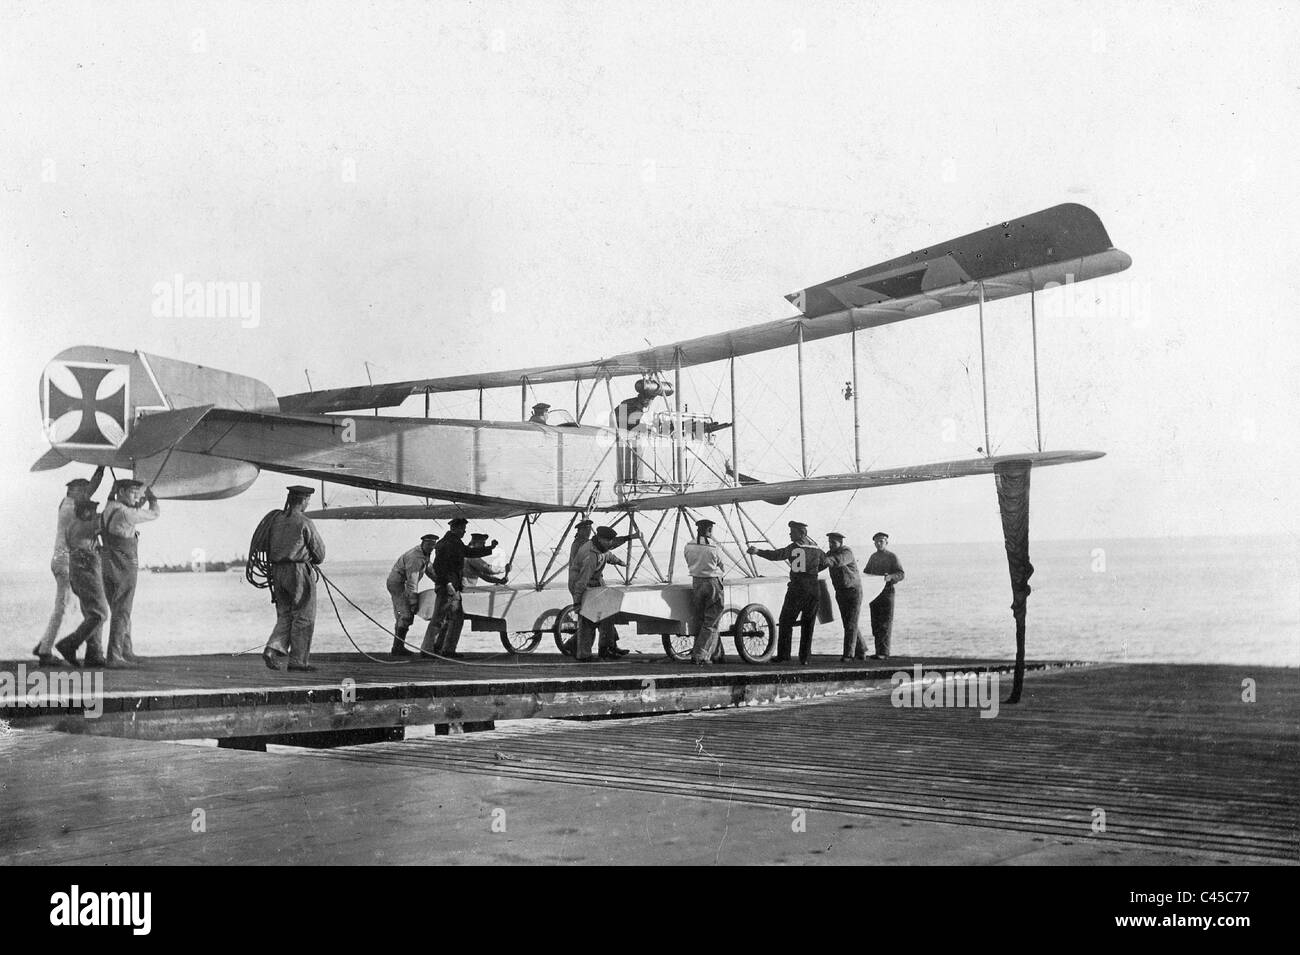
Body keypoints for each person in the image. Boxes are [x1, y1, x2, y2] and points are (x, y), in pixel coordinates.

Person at [35, 468, 104, 666]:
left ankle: (44, 644)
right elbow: (92, 488)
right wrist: (102, 466)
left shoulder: (66, 504)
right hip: (67, 561)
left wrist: (101, 469)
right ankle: (46, 651)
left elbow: (92, 488)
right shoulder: (72, 509)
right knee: (63, 607)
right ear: (73, 491)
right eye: (82, 490)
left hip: (60, 559)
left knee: (71, 605)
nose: (86, 493)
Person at [261, 486, 326, 672]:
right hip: (297, 571)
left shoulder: (276, 520)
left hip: (277, 571)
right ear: (304, 500)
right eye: (307, 501)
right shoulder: (304, 522)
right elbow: (320, 554)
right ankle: (298, 661)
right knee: (304, 614)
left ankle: (273, 649)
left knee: (285, 614)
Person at [748, 520, 829, 665]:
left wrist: (758, 552)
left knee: (786, 621)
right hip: (813, 588)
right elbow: (826, 563)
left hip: (797, 588)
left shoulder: (794, 548)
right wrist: (813, 571)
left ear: (801, 533)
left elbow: (777, 555)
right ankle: (805, 658)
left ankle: (784, 655)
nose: (790, 534)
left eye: (792, 532)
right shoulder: (817, 549)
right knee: (808, 623)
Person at [99, 478, 160, 667]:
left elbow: (112, 498)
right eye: (133, 492)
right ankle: (115, 656)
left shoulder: (110, 506)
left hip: (106, 564)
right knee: (123, 610)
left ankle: (126, 650)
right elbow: (154, 514)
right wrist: (152, 499)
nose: (137, 495)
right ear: (123, 492)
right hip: (124, 566)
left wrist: (117, 492)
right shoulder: (127, 514)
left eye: (138, 492)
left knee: (119, 609)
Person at [421, 518, 496, 659]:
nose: (464, 531)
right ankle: (428, 650)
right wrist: (448, 583)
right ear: (454, 529)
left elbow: (469, 552)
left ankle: (446, 650)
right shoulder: (448, 544)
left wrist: (490, 549)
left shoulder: (453, 542)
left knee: (456, 618)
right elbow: (439, 566)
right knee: (439, 618)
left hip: (453, 587)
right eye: (462, 529)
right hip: (447, 587)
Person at [52, 498, 110, 668]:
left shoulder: (73, 525)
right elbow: (105, 520)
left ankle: (94, 654)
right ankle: (70, 644)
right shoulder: (85, 525)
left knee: (92, 613)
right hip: (87, 570)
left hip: (78, 571)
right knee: (100, 614)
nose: (94, 515)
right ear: (85, 512)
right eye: (92, 512)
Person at [571, 526, 627, 661]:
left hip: (596, 582)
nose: (610, 543)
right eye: (608, 541)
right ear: (601, 539)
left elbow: (608, 555)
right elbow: (581, 580)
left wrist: (619, 562)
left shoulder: (600, 547)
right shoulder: (590, 555)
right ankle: (584, 655)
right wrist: (577, 602)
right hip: (584, 585)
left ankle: (607, 648)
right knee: (588, 619)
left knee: (607, 614)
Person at [385, 533, 437, 657]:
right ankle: (397, 648)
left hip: (401, 583)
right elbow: (412, 582)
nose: (431, 547)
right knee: (406, 615)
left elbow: (429, 570)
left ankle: (398, 647)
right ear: (423, 543)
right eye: (429, 544)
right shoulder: (415, 557)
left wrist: (441, 582)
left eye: (433, 545)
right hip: (398, 584)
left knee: (404, 616)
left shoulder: (425, 554)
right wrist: (413, 601)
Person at [684, 518, 726, 665]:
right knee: (712, 620)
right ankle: (700, 655)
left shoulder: (688, 545)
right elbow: (721, 564)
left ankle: (716, 653)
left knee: (701, 619)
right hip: (712, 583)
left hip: (696, 582)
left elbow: (688, 560)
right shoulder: (713, 547)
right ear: (709, 530)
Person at [825, 531, 868, 661]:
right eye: (829, 542)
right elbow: (821, 565)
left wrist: (823, 559)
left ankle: (849, 655)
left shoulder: (846, 552)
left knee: (850, 623)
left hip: (853, 591)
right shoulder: (829, 554)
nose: (831, 545)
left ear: (840, 543)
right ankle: (861, 650)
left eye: (833, 542)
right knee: (849, 622)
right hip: (841, 591)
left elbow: (837, 561)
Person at [863, 531, 905, 659]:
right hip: (874, 594)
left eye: (881, 541)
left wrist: (891, 577)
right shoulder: (873, 557)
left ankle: (884, 653)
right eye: (876, 541)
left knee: (885, 623)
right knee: (875, 623)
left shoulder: (892, 556)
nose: (879, 543)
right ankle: (878, 652)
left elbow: (901, 574)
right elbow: (866, 573)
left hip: (887, 593)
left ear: (886, 542)